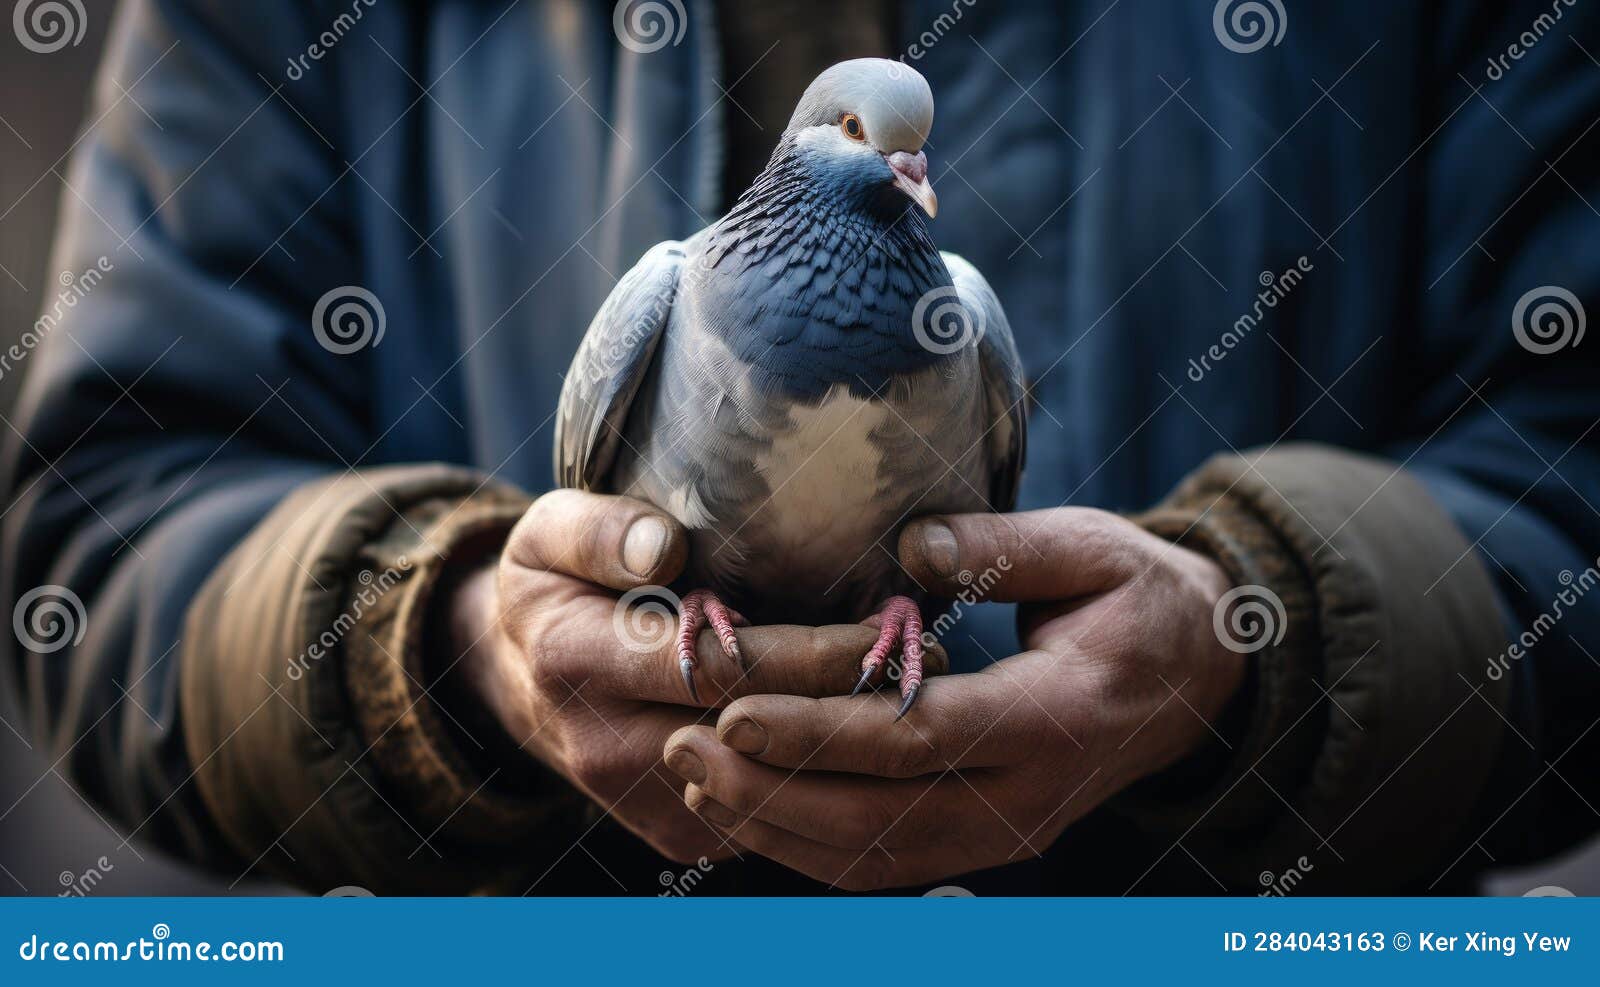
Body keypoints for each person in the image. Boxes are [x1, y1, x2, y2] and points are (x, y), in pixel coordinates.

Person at [4, 0, 1597, 895]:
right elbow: (112, 528)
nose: (905, 174)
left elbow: (1565, 488)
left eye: (909, 157)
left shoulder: (955, 304)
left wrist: (1262, 645)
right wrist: (441, 652)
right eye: (866, 142)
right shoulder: (661, 302)